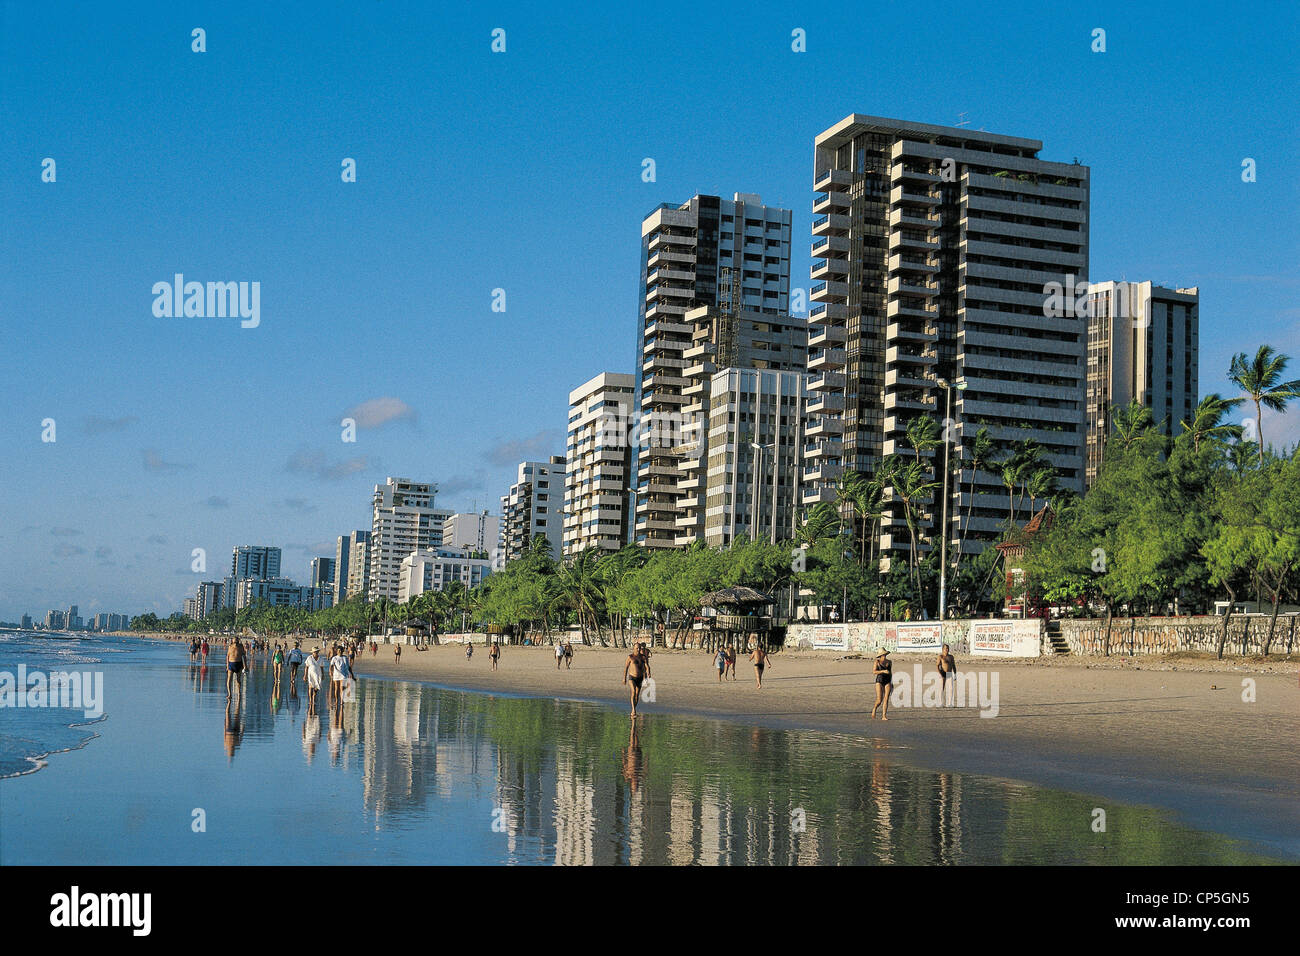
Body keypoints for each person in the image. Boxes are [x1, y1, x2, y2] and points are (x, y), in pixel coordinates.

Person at [623, 645, 649, 718]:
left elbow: (646, 666)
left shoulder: (643, 657)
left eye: (639, 648)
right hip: (632, 677)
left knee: (637, 695)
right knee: (633, 692)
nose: (638, 649)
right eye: (637, 648)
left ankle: (633, 709)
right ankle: (633, 710)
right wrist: (624, 678)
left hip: (639, 678)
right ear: (634, 648)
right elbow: (626, 668)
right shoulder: (630, 657)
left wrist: (647, 674)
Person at [871, 648, 893, 720]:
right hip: (879, 681)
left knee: (886, 699)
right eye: (883, 654)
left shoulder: (889, 662)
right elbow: (874, 672)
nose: (884, 656)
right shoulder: (877, 662)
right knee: (879, 700)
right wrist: (883, 671)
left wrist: (891, 682)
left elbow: (890, 672)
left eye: (885, 654)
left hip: (888, 680)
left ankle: (884, 716)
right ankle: (874, 708)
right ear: (881, 655)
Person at [303, 647, 324, 713]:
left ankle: (314, 696)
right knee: (310, 687)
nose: (316, 653)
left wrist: (323, 675)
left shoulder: (321, 658)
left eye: (317, 652)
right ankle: (311, 700)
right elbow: (306, 667)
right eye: (315, 652)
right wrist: (305, 675)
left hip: (318, 674)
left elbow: (322, 667)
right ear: (313, 652)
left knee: (317, 687)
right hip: (311, 675)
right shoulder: (309, 658)